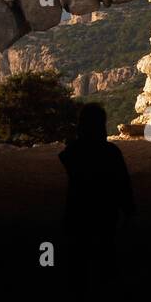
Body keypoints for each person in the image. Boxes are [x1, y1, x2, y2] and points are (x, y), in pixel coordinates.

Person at [58, 104, 135, 283]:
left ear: (81, 125)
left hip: (78, 213)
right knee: (106, 256)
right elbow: (123, 183)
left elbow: (65, 158)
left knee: (78, 259)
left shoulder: (73, 151)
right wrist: (129, 209)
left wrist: (74, 140)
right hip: (106, 214)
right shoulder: (111, 152)